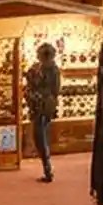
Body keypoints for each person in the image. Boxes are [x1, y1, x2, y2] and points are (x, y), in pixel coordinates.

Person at [24, 43, 61, 183]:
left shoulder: (50, 70)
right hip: (41, 106)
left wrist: (38, 95)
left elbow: (53, 90)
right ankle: (47, 167)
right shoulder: (43, 69)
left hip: (43, 107)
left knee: (40, 137)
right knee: (40, 137)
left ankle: (47, 169)